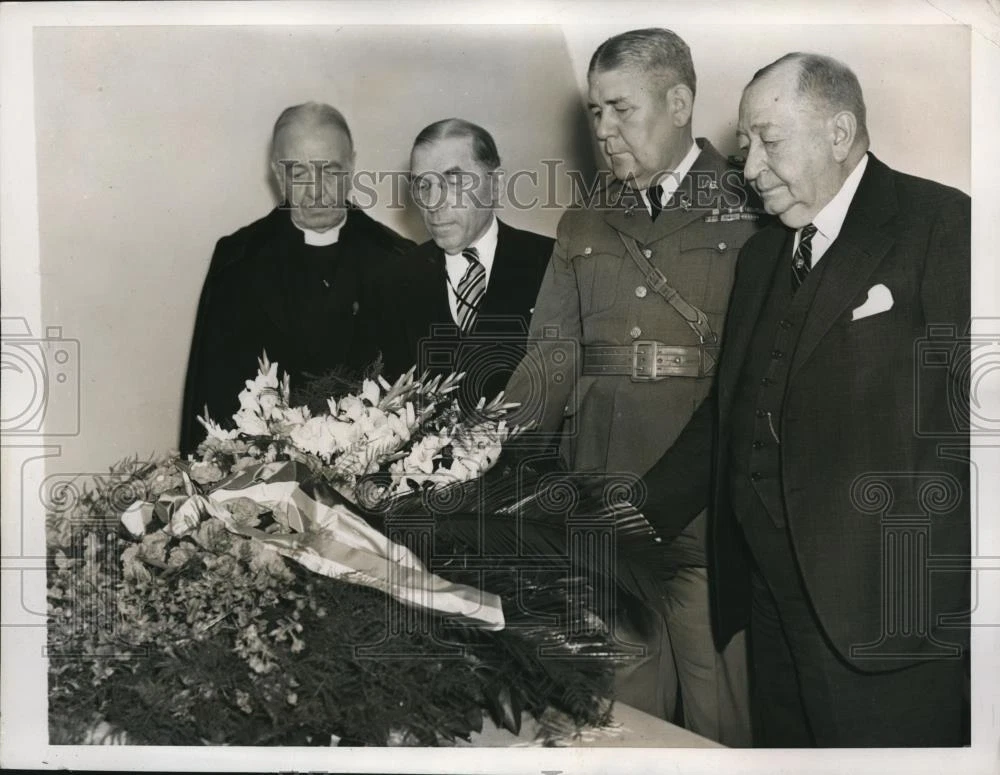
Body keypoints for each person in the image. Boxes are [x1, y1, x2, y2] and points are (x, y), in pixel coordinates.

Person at [639, 52, 970, 747]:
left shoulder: (942, 226)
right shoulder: (763, 257)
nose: (750, 168)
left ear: (840, 133)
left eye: (769, 141)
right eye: (743, 146)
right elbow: (728, 418)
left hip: (890, 620)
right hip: (771, 610)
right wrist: (624, 520)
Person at [503, 28, 764, 745]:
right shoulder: (584, 220)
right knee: (623, 716)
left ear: (679, 102)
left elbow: (765, 376)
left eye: (622, 108)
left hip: (707, 509)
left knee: (723, 717)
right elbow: (548, 362)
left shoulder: (753, 211)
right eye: (594, 112)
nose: (605, 129)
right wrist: (499, 470)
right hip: (600, 501)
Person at [180, 102, 413, 453]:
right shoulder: (238, 261)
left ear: (351, 166)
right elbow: (212, 404)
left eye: (330, 170)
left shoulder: (398, 260)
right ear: (277, 171)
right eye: (299, 172)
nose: (316, 190)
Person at [377, 119, 553, 408]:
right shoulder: (394, 280)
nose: (434, 202)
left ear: (495, 184)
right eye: (423, 185)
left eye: (453, 181)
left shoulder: (553, 263)